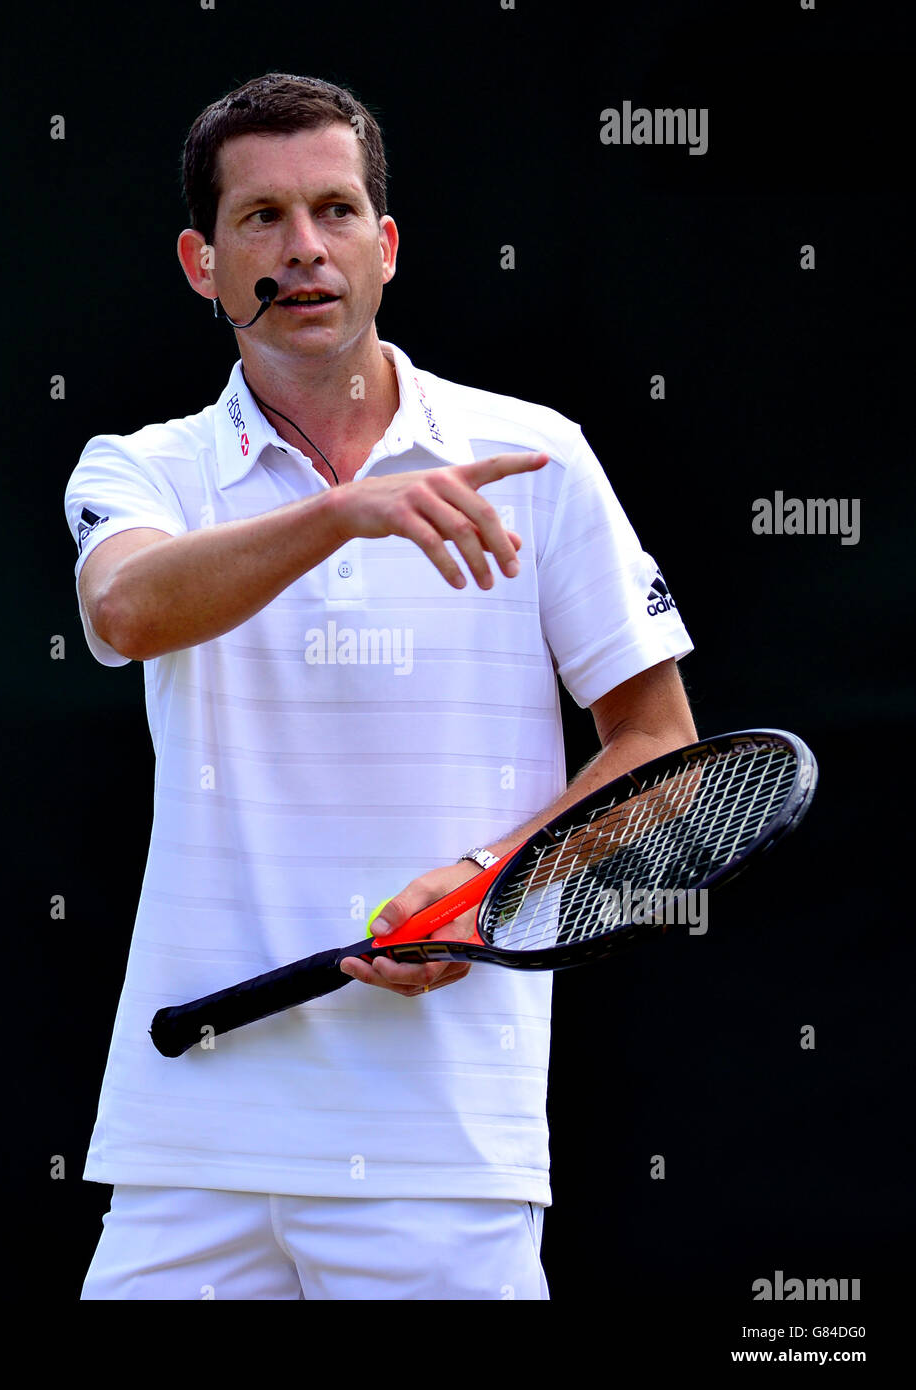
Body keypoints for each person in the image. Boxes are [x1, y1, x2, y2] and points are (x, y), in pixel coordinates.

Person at [65, 71, 696, 1300]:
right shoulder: (142, 467)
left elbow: (660, 756)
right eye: (261, 220)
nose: (304, 250)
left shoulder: (540, 456)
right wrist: (345, 514)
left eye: (336, 211)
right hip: (187, 1133)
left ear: (386, 245)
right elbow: (126, 610)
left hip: (443, 1149)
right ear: (202, 262)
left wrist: (490, 885)